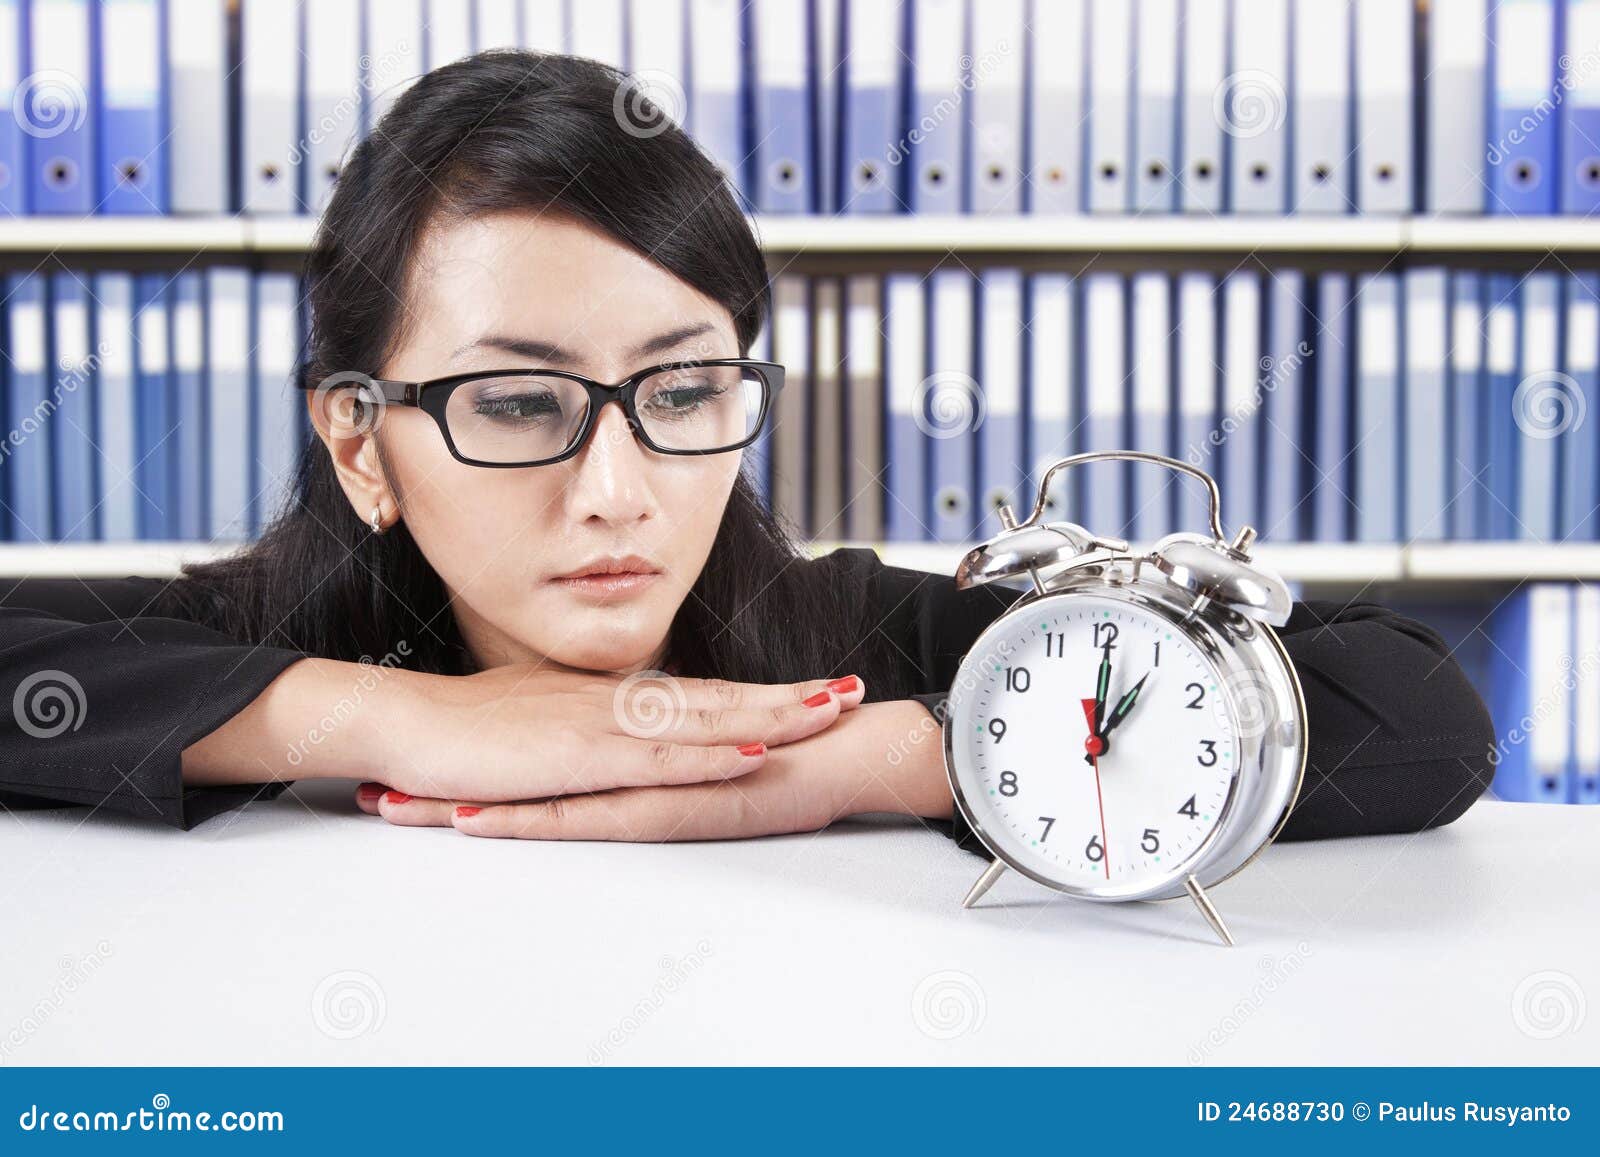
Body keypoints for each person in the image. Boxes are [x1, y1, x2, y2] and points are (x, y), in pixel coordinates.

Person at [0, 50, 1494, 855]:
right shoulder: (235, 643)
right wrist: (401, 723)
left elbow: (1423, 717)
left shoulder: (834, 643)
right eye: (521, 403)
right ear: (362, 444)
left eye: (685, 386)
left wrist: (881, 758)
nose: (621, 488)